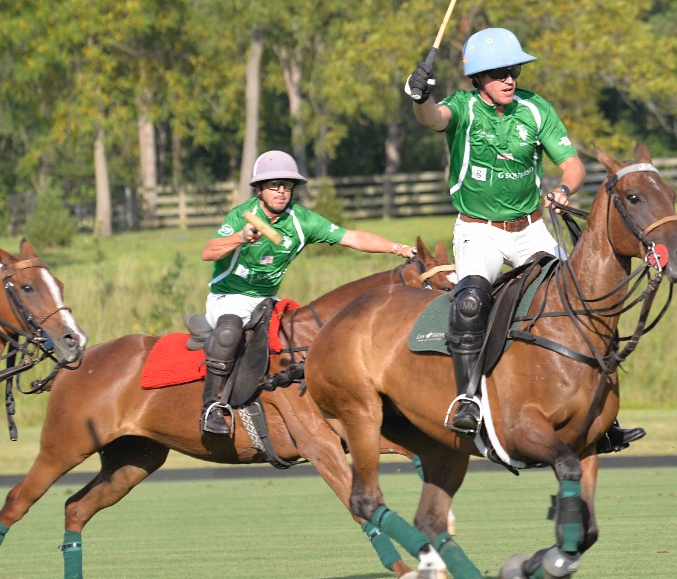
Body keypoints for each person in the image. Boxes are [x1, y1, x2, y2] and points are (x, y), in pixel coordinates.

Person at [404, 27, 585, 435]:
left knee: (576, 295)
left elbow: (572, 165)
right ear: (478, 79)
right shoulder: (463, 108)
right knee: (470, 303)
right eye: (500, 72)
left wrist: (563, 189)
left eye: (514, 71)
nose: (509, 79)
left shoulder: (535, 109)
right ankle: (468, 398)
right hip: (479, 231)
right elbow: (433, 118)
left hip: (531, 229)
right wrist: (421, 97)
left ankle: (594, 399)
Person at [199, 150, 416, 437]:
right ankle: (212, 408)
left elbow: (351, 237)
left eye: (287, 185)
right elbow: (207, 252)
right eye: (274, 184)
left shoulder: (302, 221)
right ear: (260, 188)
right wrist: (240, 237)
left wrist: (398, 248)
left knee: (309, 334)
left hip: (267, 301)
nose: (281, 191)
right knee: (229, 333)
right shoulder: (242, 215)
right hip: (228, 297)